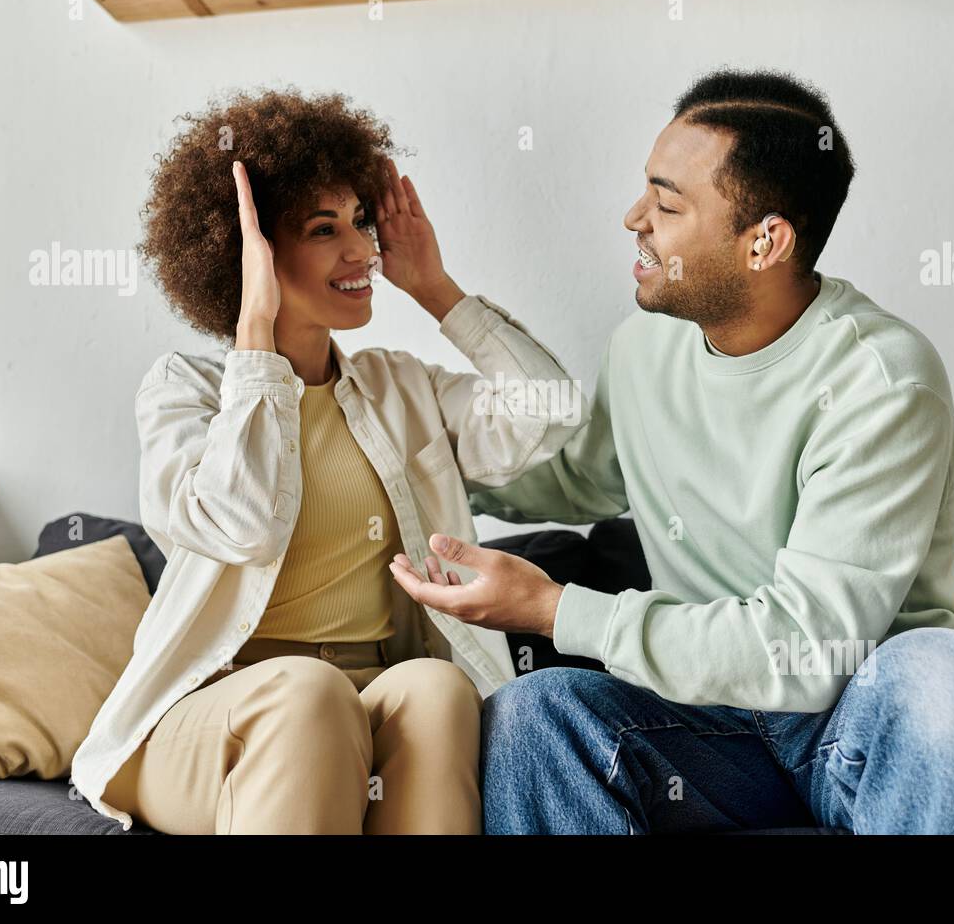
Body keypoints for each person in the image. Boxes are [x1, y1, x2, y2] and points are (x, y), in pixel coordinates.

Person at [388, 68, 954, 834]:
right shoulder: (645, 351)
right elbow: (575, 480)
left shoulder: (882, 380)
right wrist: (402, 419)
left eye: (668, 204)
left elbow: (809, 651)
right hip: (707, 733)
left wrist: (553, 609)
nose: (633, 217)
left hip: (861, 720)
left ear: (764, 241)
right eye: (646, 191)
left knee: (952, 680)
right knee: (535, 713)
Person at [70, 88, 587, 834]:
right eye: (323, 229)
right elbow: (239, 524)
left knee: (439, 690)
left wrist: (436, 289)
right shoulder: (188, 391)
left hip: (362, 702)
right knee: (307, 693)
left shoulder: (398, 386)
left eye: (361, 222)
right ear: (249, 253)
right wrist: (256, 329)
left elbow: (550, 412)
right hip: (218, 717)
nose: (361, 250)